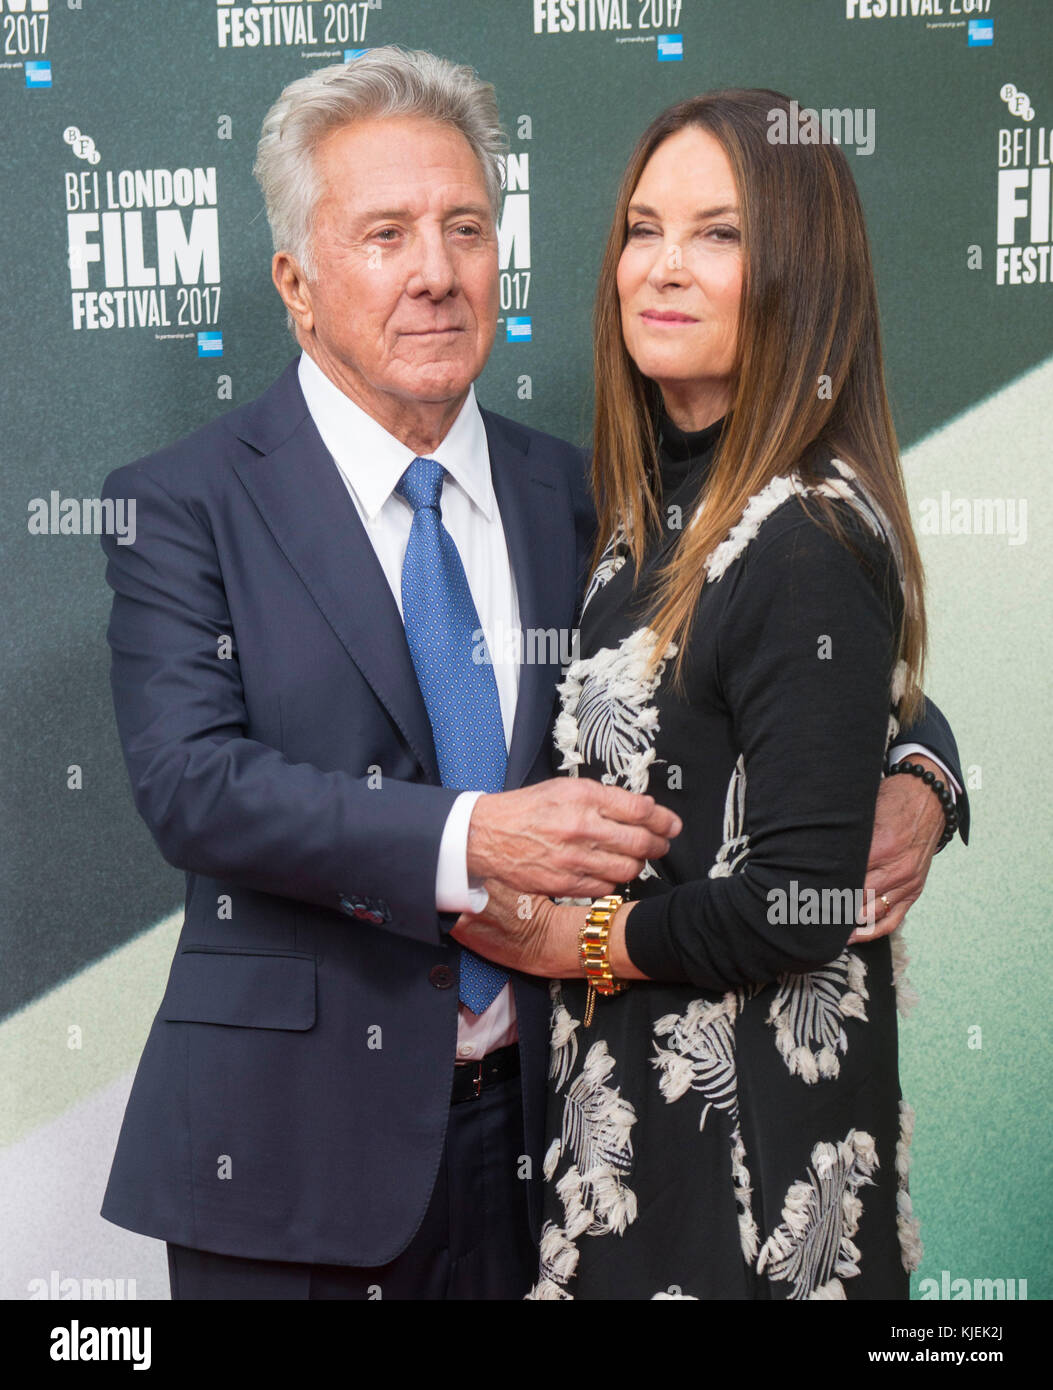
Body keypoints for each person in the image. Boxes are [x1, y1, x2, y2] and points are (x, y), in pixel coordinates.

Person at [99, 54, 963, 1301]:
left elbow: (765, 642)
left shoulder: (584, 493)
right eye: (385, 234)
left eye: (463, 227)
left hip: (562, 1150)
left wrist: (919, 763)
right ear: (295, 282)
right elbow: (195, 785)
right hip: (291, 1158)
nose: (436, 272)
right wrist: (474, 837)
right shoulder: (182, 503)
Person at [450, 89, 968, 1300]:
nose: (663, 267)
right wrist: (919, 758)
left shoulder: (805, 532)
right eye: (642, 228)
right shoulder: (636, 516)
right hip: (631, 1137)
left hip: (750, 1171)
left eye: (719, 234)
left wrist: (577, 937)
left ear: (800, 269)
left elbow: (798, 900)